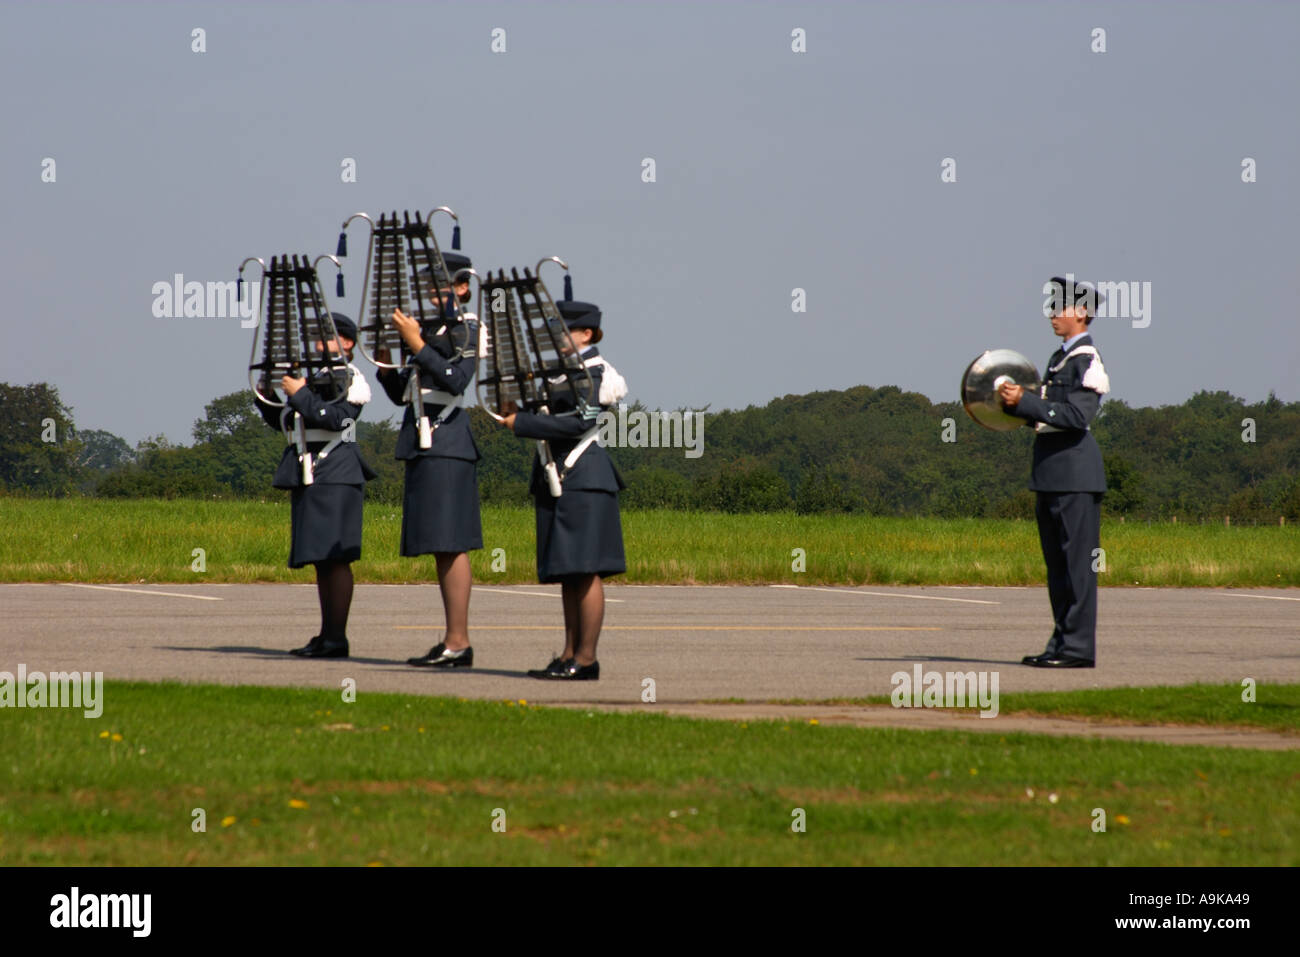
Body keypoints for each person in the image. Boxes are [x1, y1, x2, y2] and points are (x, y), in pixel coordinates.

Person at [500, 297, 628, 680]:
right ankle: (570, 653)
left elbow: (576, 425)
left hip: (584, 477)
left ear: (586, 334)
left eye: (563, 329)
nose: (555, 336)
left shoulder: (596, 373)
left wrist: (520, 423)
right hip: (559, 477)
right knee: (570, 572)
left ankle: (586, 660)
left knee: (586, 571)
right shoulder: (561, 372)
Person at [375, 253, 483, 669]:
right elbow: (404, 391)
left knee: (451, 542)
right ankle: (453, 641)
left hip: (448, 439)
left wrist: (416, 342)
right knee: (440, 545)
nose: (431, 294)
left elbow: (456, 379)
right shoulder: (429, 330)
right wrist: (386, 360)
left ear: (461, 288)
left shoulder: (469, 327)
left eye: (440, 286)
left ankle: (459, 643)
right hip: (422, 437)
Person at [998, 276, 1109, 668]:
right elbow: (1048, 416)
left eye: (1059, 307)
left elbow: (1077, 416)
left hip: (1075, 477)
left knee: (1077, 568)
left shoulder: (1086, 360)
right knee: (1058, 569)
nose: (1052, 314)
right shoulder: (1059, 358)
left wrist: (1028, 402)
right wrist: (1014, 405)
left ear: (1081, 313)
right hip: (1052, 474)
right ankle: (1061, 644)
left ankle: (1077, 648)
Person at [254, 313, 377, 659]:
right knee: (323, 559)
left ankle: (337, 638)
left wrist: (301, 393)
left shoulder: (349, 377)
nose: (317, 344)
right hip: (314, 469)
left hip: (335, 470)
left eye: (325, 338)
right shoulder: (318, 378)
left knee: (335, 558)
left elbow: (338, 419)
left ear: (347, 343)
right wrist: (268, 395)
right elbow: (290, 423)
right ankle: (328, 635)